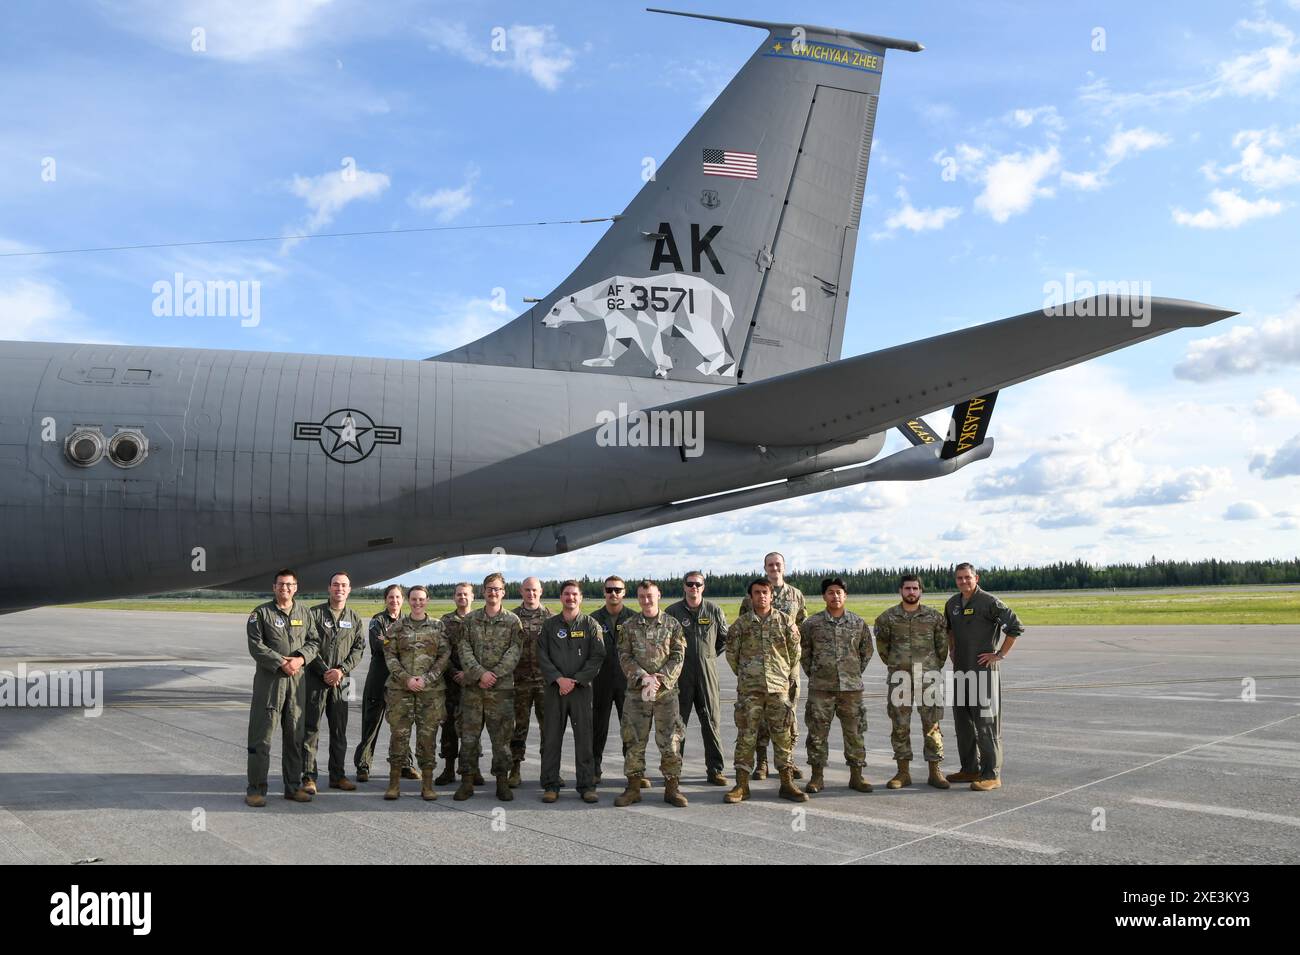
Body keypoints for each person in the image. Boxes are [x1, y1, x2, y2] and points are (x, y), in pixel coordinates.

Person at [945, 563, 1024, 791]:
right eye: (959, 578)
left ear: (976, 578)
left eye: (967, 577)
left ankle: (991, 774)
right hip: (960, 672)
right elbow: (949, 629)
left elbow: (1015, 627)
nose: (963, 581)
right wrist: (952, 649)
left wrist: (999, 654)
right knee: (963, 724)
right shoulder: (952, 604)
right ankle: (970, 769)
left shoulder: (989, 602)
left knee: (986, 724)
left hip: (983, 673)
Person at [725, 578, 805, 803]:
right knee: (746, 736)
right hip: (750, 690)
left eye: (765, 592)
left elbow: (794, 652)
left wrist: (781, 674)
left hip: (778, 689)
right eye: (757, 592)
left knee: (782, 735)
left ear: (771, 596)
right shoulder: (741, 625)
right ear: (751, 597)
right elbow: (732, 655)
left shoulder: (785, 621)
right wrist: (748, 675)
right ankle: (742, 785)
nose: (761, 596)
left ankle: (787, 783)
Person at [244, 569, 318, 806]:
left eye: (289, 584)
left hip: (296, 683)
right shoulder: (261, 613)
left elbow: (314, 642)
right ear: (274, 587)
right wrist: (280, 662)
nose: (285, 588)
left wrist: (300, 659)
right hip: (270, 684)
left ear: (295, 587)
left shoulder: (305, 613)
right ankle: (255, 790)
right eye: (281, 584)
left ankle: (293, 787)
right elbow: (256, 645)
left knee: (295, 737)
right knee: (261, 738)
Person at [614, 581, 688, 808]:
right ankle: (633, 788)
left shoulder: (672, 624)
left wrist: (660, 678)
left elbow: (678, 655)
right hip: (638, 693)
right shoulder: (629, 626)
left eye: (650, 596)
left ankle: (672, 788)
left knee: (670, 741)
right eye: (642, 596)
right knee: (634, 740)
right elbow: (624, 655)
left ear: (659, 596)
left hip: (665, 693)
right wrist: (643, 677)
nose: (646, 600)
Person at [874, 574, 949, 790]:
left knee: (932, 724)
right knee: (899, 725)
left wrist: (931, 667)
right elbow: (883, 648)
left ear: (920, 591)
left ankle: (935, 771)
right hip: (900, 679)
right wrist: (898, 664)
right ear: (901, 591)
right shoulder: (887, 618)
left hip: (928, 678)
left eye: (915, 588)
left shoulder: (934, 617)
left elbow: (942, 648)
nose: (911, 592)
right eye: (907, 588)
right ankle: (903, 772)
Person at [800, 577, 873, 794]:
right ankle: (817, 777)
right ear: (824, 596)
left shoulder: (858, 623)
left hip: (851, 690)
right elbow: (804, 653)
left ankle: (857, 776)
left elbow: (866, 652)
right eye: (830, 592)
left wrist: (852, 673)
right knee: (817, 733)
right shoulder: (812, 624)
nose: (835, 596)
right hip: (821, 689)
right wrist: (817, 673)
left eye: (839, 592)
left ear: (845, 595)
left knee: (855, 733)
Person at [455, 573, 523, 801]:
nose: (493, 592)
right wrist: (480, 674)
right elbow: (463, 649)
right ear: (483, 592)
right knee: (469, 738)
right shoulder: (470, 620)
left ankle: (502, 782)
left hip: (501, 690)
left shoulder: (513, 621)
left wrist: (494, 675)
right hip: (473, 689)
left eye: (497, 589)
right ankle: (467, 782)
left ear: (503, 592)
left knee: (501, 740)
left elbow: (515, 652)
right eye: (489, 589)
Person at [739, 552, 806, 780]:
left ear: (784, 567)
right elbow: (743, 631)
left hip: (787, 666)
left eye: (778, 564)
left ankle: (788, 761)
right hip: (757, 667)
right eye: (770, 565)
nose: (774, 568)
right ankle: (762, 762)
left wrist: (790, 661)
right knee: (759, 717)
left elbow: (801, 627)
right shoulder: (752, 596)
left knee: (788, 714)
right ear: (765, 567)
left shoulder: (796, 595)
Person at [537, 580, 605, 803]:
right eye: (566, 594)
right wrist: (558, 679)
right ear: (561, 598)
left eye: (575, 594)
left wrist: (576, 680)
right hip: (555, 689)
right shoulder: (549, 626)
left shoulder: (591, 625)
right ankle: (550, 785)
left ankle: (586, 785)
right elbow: (542, 655)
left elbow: (597, 656)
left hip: (580, 690)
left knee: (584, 738)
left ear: (581, 598)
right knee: (551, 738)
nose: (570, 598)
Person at [382, 585, 451, 800]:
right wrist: (407, 679)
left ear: (427, 600)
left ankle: (427, 785)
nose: (417, 603)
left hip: (430, 693)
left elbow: (444, 657)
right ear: (408, 601)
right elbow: (390, 656)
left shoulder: (438, 627)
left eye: (421, 599)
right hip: (400, 691)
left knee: (427, 738)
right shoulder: (396, 627)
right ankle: (394, 784)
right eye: (414, 599)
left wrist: (426, 679)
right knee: (398, 736)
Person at [302, 571, 365, 794]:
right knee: (311, 729)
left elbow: (359, 649)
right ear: (329, 588)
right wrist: (325, 671)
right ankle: (308, 777)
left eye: (344, 585)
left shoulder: (354, 617)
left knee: (340, 730)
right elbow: (307, 644)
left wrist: (341, 670)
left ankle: (337, 776)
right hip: (315, 679)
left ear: (349, 589)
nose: (340, 588)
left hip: (345, 682)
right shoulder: (314, 614)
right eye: (336, 585)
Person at [664, 571, 729, 785]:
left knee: (711, 723)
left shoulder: (714, 611)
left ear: (703, 587)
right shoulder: (672, 612)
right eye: (690, 584)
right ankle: (673, 772)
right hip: (680, 676)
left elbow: (723, 639)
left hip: (706, 675)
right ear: (684, 586)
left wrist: (707, 656)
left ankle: (715, 770)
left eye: (698, 584)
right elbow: (664, 643)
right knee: (677, 725)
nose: (694, 587)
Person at [354, 585, 415, 783]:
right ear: (385, 599)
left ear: (403, 599)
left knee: (401, 724)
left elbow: (414, 646)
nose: (394, 601)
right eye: (390, 597)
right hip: (379, 677)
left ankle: (405, 764)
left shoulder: (408, 621)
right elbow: (379, 644)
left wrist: (391, 640)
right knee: (371, 721)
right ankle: (363, 765)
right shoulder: (377, 620)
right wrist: (402, 644)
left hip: (400, 679)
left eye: (397, 597)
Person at [591, 575, 638, 786]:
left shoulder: (634, 619)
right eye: (609, 590)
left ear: (624, 592)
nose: (613, 594)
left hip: (627, 681)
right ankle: (594, 769)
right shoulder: (593, 619)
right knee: (597, 727)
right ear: (604, 592)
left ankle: (634, 772)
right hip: (600, 681)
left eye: (617, 590)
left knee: (630, 728)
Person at [509, 576, 552, 788]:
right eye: (527, 590)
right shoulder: (512, 618)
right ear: (521, 591)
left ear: (541, 591)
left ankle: (548, 770)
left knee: (548, 729)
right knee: (519, 728)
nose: (531, 593)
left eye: (534, 590)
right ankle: (515, 769)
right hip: (520, 682)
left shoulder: (551, 618)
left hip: (545, 682)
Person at [435, 582, 475, 786]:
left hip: (473, 682)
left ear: (472, 597)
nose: (462, 597)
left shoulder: (479, 619)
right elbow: (442, 650)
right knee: (449, 726)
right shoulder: (445, 621)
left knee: (473, 727)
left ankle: (472, 769)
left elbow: (483, 651)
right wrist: (453, 672)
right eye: (459, 594)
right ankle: (449, 769)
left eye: (466, 594)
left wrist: (469, 674)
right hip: (451, 682)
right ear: (454, 597)